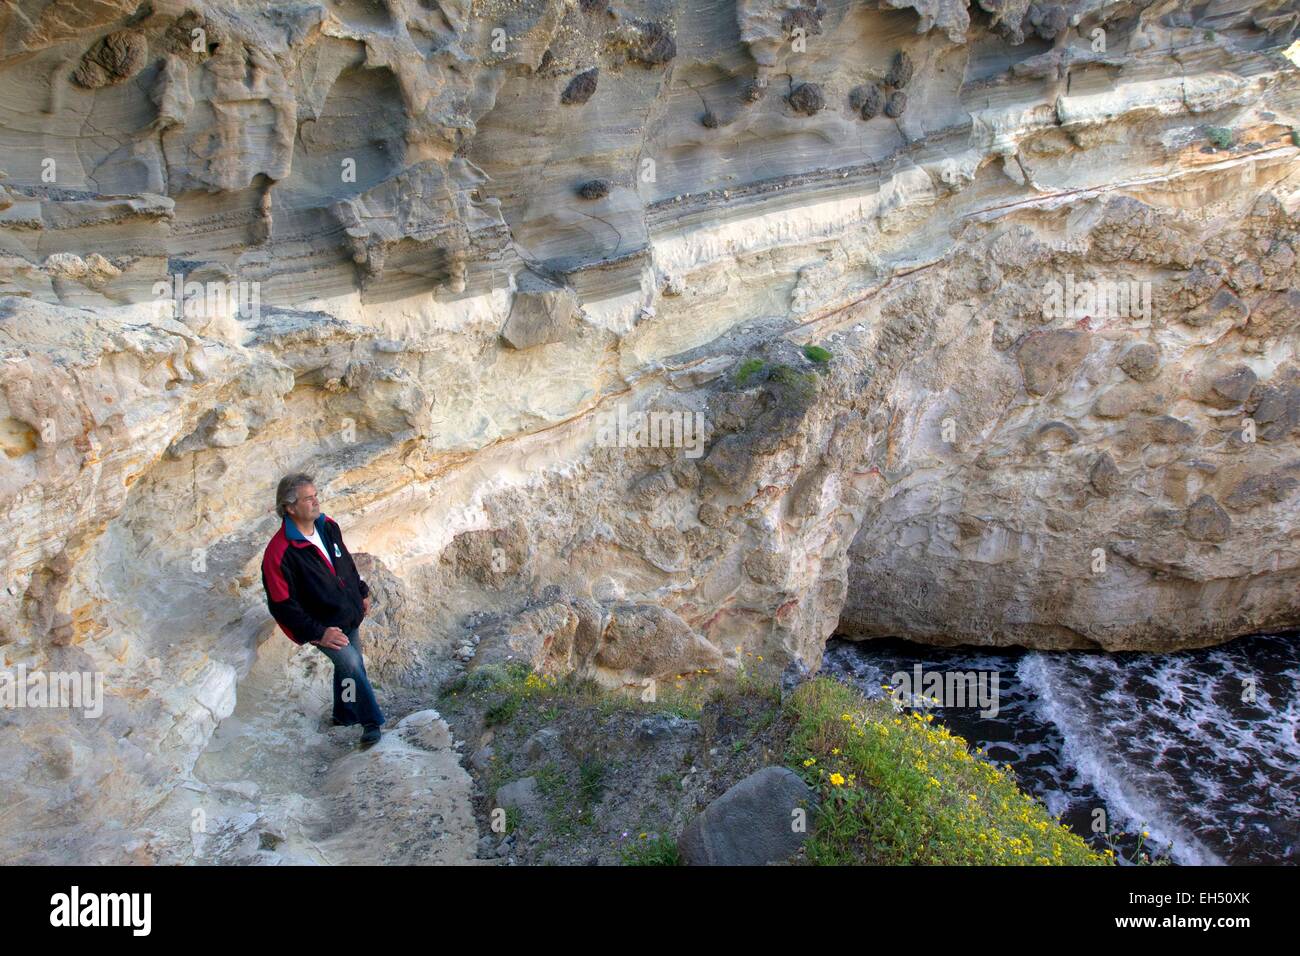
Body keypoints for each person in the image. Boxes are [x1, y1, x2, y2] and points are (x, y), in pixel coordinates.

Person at [260, 472, 386, 746]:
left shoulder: (327, 525)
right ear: (290, 507)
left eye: (316, 496)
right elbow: (282, 606)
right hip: (321, 624)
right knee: (352, 663)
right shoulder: (279, 552)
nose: (316, 502)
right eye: (309, 499)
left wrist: (361, 591)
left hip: (348, 613)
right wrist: (318, 632)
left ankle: (345, 714)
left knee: (349, 668)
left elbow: (345, 562)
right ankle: (371, 722)